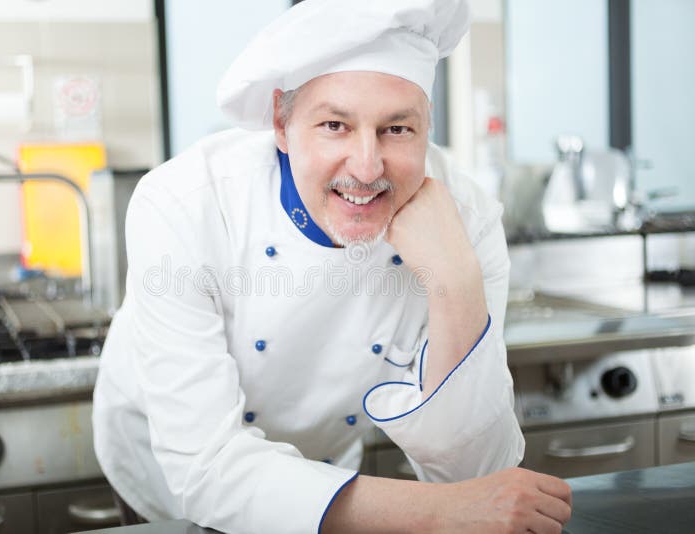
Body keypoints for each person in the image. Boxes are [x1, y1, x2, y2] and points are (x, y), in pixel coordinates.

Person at [92, 0, 572, 532]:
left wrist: (454, 282)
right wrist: (443, 512)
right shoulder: (185, 204)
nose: (366, 168)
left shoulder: (468, 221)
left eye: (397, 129)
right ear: (281, 124)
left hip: (319, 479)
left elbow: (478, 476)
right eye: (335, 125)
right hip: (164, 475)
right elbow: (205, 468)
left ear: (428, 125)